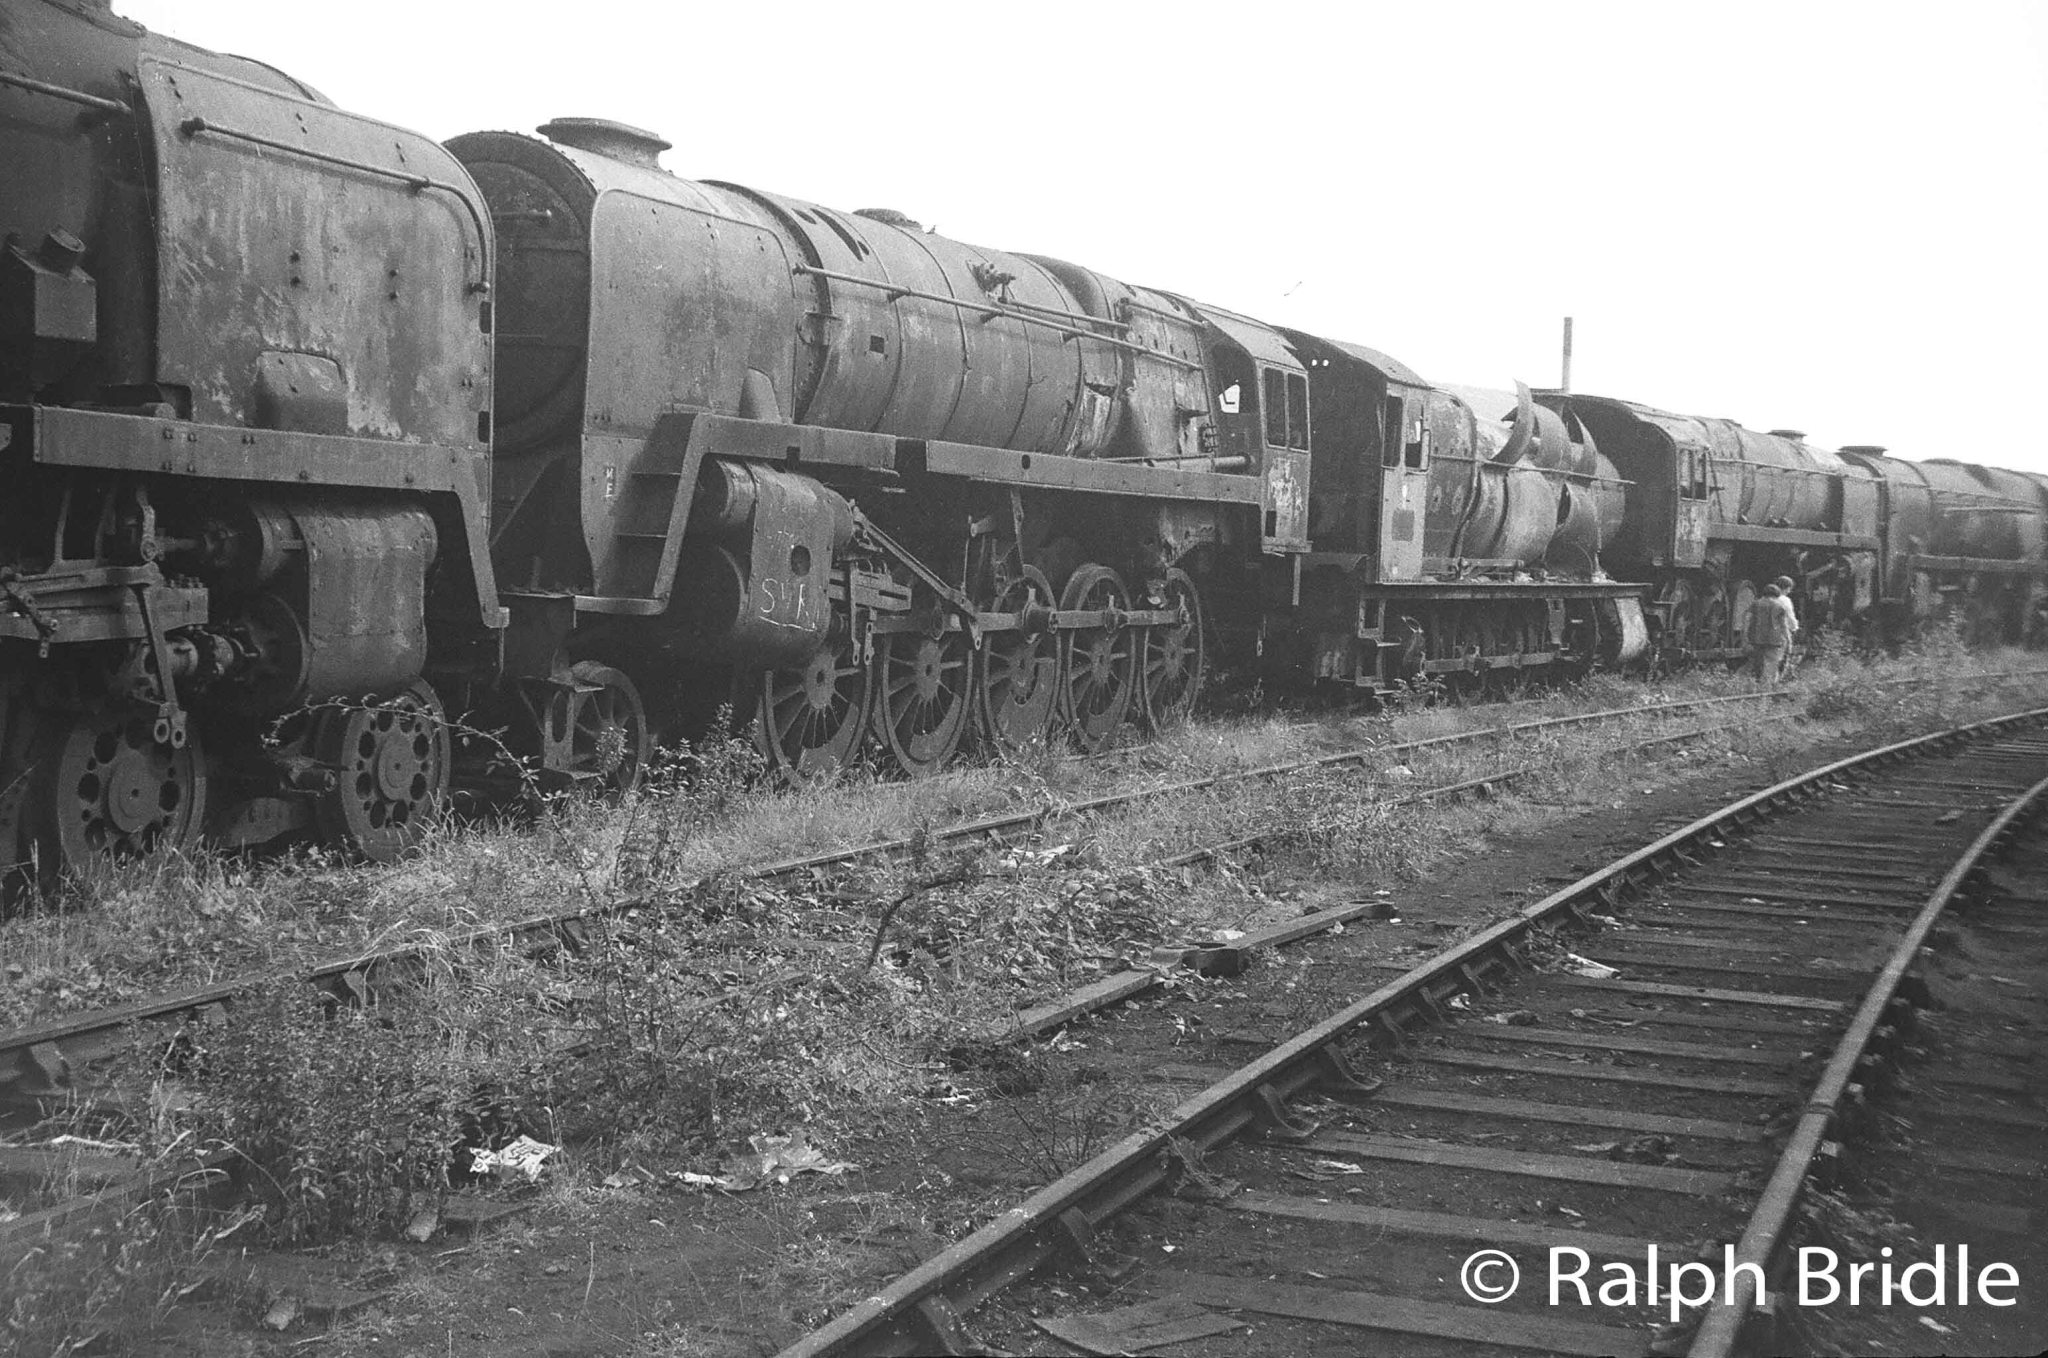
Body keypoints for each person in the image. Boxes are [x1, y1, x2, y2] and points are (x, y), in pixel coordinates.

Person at [1744, 582, 1797, 683]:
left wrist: (1745, 638)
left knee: (1758, 664)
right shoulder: (1780, 606)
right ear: (1777, 594)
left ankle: (1759, 683)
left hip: (1756, 639)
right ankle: (1768, 687)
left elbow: (1747, 620)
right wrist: (1788, 640)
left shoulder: (1755, 604)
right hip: (1774, 640)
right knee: (1772, 664)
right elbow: (1784, 626)